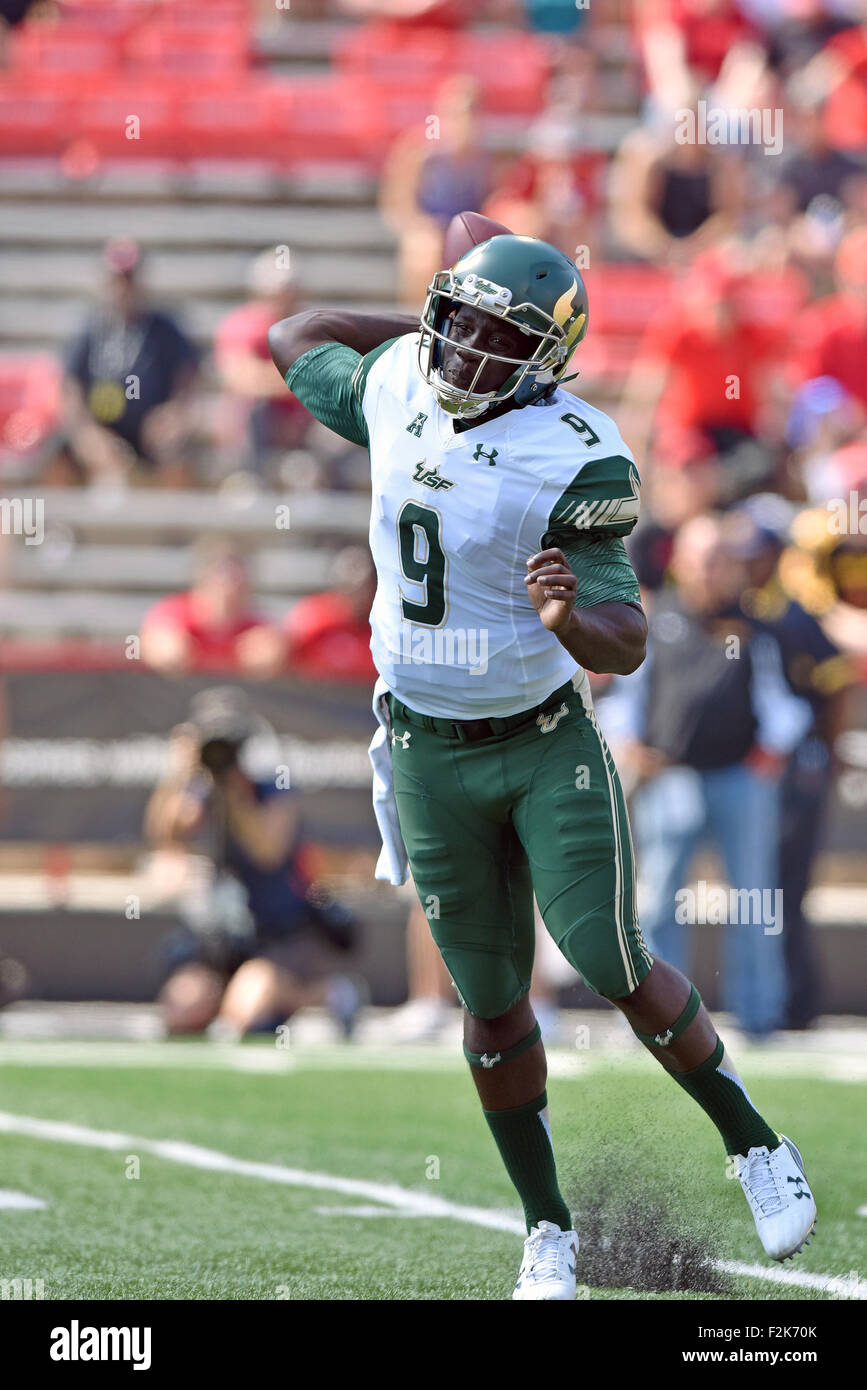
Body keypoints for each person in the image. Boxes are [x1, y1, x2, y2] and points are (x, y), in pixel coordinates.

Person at [267, 229, 817, 1299]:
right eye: (456, 319)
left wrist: (569, 618)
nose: (465, 348)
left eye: (497, 334)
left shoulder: (576, 446)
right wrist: (424, 330)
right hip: (428, 749)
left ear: (549, 359)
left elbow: (628, 634)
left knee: (608, 958)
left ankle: (753, 1141)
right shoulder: (396, 382)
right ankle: (547, 1228)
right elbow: (295, 334)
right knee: (491, 1006)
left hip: (538, 741)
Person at [605, 513, 814, 1038]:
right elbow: (624, 698)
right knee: (657, 903)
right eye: (699, 559)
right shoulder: (654, 620)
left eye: (717, 560)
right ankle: (658, 1016)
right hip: (670, 779)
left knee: (754, 900)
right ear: (679, 563)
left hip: (739, 781)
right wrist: (630, 746)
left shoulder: (756, 626)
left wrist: (770, 751)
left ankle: (758, 1012)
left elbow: (788, 708)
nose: (708, 570)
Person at [146, 689, 363, 1040]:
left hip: (280, 935)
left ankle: (326, 994)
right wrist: (179, 774)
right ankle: (231, 997)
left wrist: (235, 795)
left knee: (244, 1015)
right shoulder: (200, 789)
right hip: (225, 937)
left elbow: (267, 852)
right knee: (181, 1008)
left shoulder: (272, 788)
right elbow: (165, 835)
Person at [62, 239, 200, 485]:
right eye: (118, 279)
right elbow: (70, 389)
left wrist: (174, 415)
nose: (123, 287)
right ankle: (61, 522)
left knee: (179, 453)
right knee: (59, 454)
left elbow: (188, 377)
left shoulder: (165, 328)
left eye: (129, 278)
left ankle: (171, 522)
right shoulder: (90, 329)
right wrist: (88, 433)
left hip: (153, 433)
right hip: (102, 429)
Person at [140, 536, 286, 678]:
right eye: (222, 575)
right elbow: (160, 647)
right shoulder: (173, 615)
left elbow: (270, 655)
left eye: (237, 577)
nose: (229, 587)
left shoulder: (258, 625)